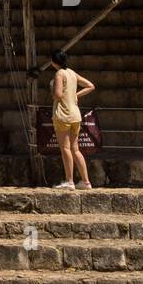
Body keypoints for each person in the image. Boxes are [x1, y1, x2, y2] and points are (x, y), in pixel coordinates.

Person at [50, 51, 95, 189]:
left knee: (65, 148)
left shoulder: (59, 74)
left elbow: (57, 94)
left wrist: (52, 89)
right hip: (75, 114)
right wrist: (75, 94)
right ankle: (86, 182)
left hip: (63, 114)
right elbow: (90, 85)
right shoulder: (71, 73)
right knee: (76, 149)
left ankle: (70, 181)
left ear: (53, 62)